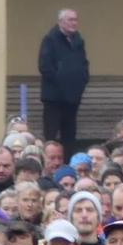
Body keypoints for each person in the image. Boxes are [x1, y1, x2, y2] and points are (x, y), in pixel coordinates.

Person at [38, 8, 89, 154]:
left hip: (72, 98)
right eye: (70, 20)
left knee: (70, 136)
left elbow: (84, 63)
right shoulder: (50, 39)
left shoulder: (78, 41)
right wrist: (62, 85)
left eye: (76, 19)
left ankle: (68, 165)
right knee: (51, 135)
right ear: (60, 22)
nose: (74, 23)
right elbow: (45, 67)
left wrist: (83, 80)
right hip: (54, 99)